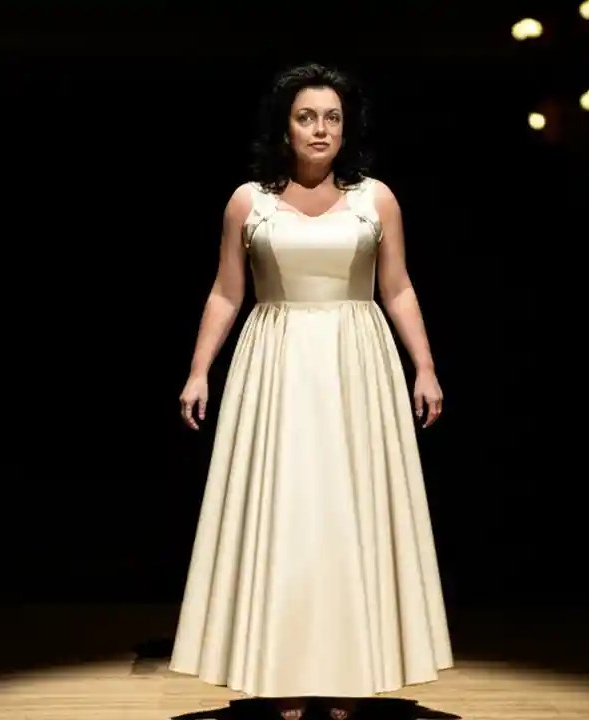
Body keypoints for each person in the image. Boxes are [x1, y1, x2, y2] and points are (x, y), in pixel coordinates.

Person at [168, 62, 453, 719]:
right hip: (278, 363)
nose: (320, 129)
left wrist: (426, 365)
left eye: (331, 117)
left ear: (346, 127)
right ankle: (281, 673)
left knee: (350, 512)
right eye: (306, 117)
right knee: (287, 514)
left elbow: (398, 287)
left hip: (356, 361)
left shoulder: (375, 198)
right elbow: (226, 291)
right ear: (285, 128)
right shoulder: (249, 201)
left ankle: (354, 671)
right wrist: (197, 369)